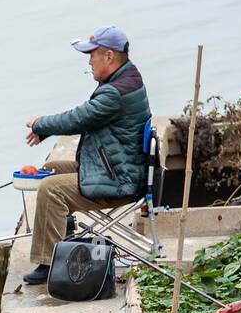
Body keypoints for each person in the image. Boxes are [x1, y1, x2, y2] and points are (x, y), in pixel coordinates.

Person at [22, 26, 151, 284]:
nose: (89, 61)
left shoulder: (115, 92)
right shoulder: (127, 78)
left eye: (92, 55)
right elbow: (86, 118)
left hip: (120, 180)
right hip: (120, 168)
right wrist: (45, 130)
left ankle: (49, 263)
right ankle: (63, 236)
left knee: (51, 189)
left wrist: (40, 124)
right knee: (52, 168)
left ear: (109, 57)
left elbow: (79, 117)